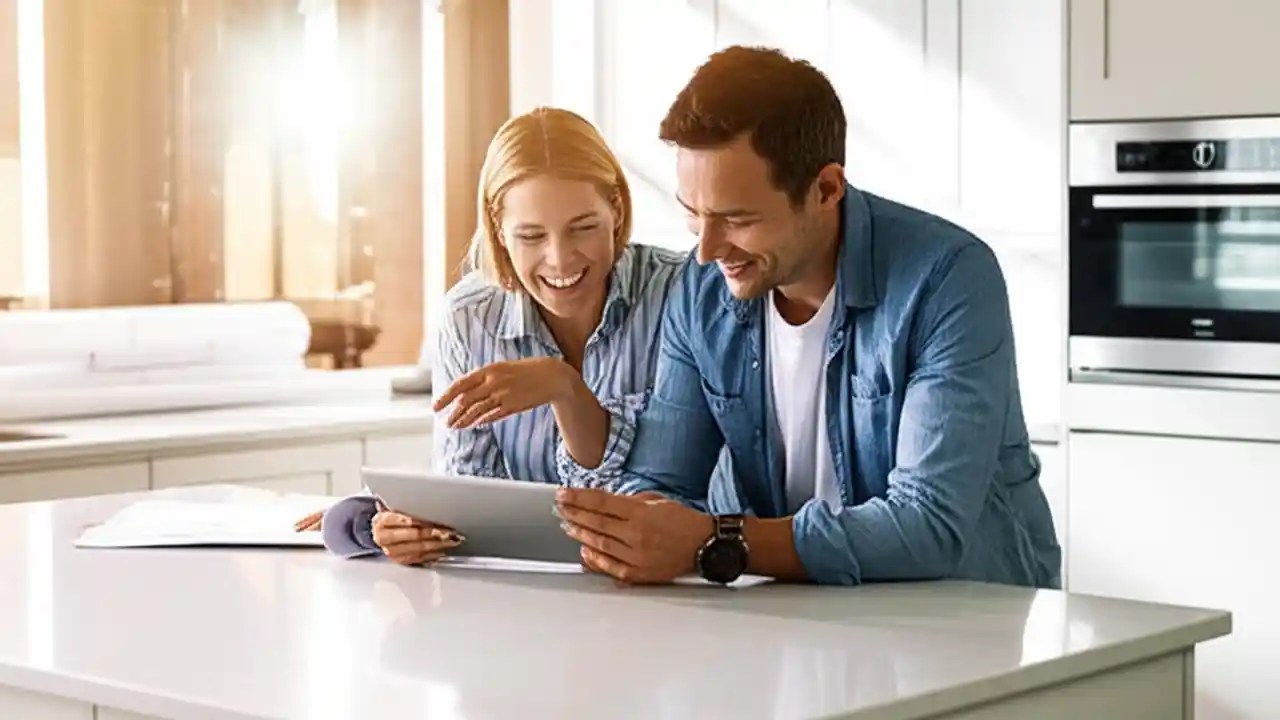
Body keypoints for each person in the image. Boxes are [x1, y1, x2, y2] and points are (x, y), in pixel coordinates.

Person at [555, 46, 1062, 588]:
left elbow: (928, 524)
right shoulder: (701, 291)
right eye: (693, 214)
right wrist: (636, 531)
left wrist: (719, 539)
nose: (706, 249)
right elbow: (662, 480)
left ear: (825, 189)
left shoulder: (948, 278)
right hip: (797, 611)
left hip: (968, 608)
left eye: (737, 219)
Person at [311, 107, 689, 564]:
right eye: (531, 236)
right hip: (524, 590)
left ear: (617, 209)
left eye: (584, 228)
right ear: (498, 230)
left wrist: (565, 389)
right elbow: (467, 497)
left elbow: (668, 498)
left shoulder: (680, 294)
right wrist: (421, 533)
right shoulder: (470, 317)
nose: (560, 259)